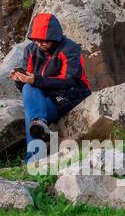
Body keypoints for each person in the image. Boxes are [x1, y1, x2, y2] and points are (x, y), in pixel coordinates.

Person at [10, 12, 92, 159]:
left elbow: (69, 81)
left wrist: (36, 80)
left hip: (71, 94)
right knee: (29, 92)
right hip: (45, 96)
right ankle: (40, 124)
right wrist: (19, 79)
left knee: (33, 112)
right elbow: (27, 89)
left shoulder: (70, 49)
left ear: (55, 37)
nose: (40, 44)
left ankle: (33, 158)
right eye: (37, 40)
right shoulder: (30, 50)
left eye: (45, 41)